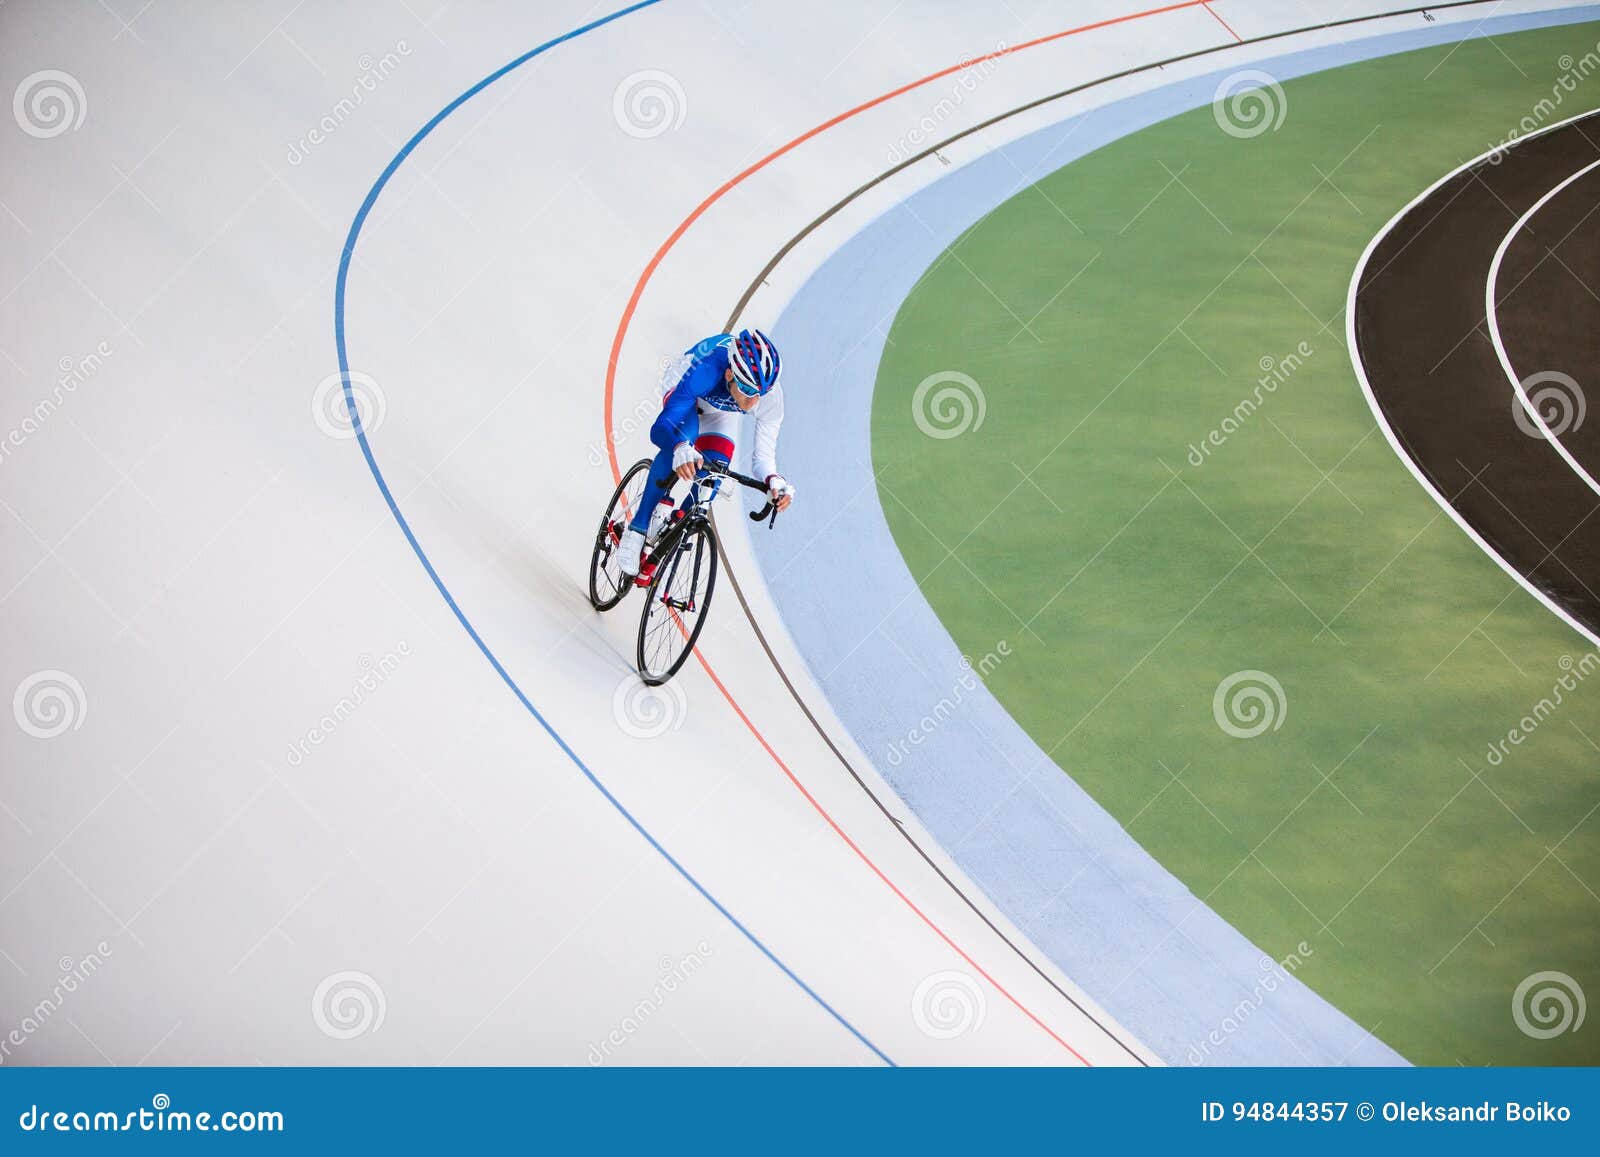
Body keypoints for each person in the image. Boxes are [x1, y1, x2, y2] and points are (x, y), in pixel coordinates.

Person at [616, 328, 795, 577]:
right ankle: (637, 528)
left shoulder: (770, 398)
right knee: (681, 442)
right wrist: (680, 448)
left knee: (713, 476)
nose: (753, 402)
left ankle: (675, 529)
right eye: (747, 391)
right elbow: (660, 428)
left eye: (759, 394)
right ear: (730, 374)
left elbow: (763, 457)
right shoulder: (705, 369)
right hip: (685, 392)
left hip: (719, 412)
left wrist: (774, 481)